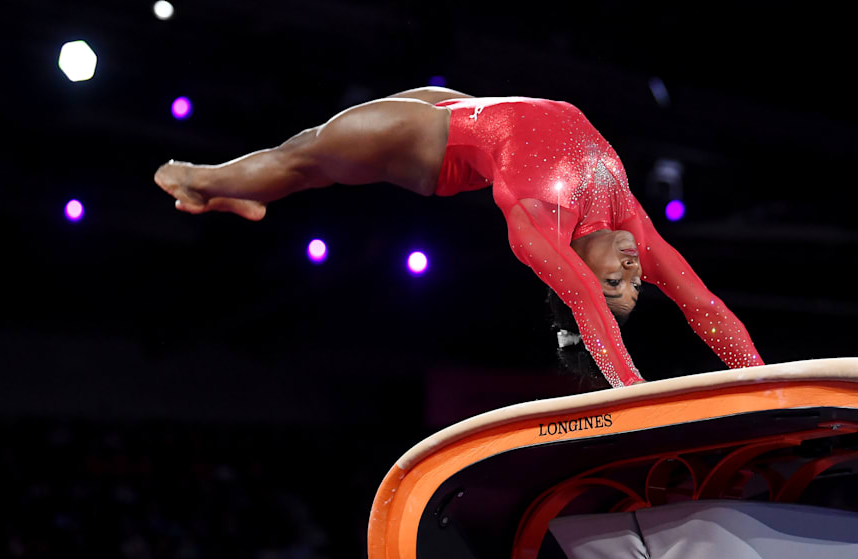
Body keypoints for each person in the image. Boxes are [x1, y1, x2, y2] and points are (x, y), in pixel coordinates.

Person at [154, 87, 763, 387]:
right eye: (634, 285)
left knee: (305, 157)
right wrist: (765, 381)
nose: (633, 272)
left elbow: (582, 302)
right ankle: (242, 190)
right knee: (303, 158)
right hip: (469, 109)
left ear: (577, 265)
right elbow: (704, 305)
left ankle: (198, 181)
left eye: (615, 283)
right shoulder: (629, 222)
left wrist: (633, 392)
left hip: (431, 147)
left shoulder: (538, 223)